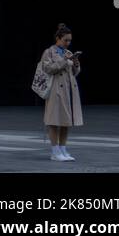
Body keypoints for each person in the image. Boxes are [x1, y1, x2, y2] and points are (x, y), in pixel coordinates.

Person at [41, 23, 84, 161]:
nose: (68, 43)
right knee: (54, 121)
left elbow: (75, 73)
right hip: (55, 91)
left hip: (68, 90)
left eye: (70, 40)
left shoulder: (68, 53)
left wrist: (76, 63)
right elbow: (48, 68)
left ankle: (63, 149)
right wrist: (65, 61)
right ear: (58, 38)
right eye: (66, 40)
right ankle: (55, 151)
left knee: (66, 122)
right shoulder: (49, 52)